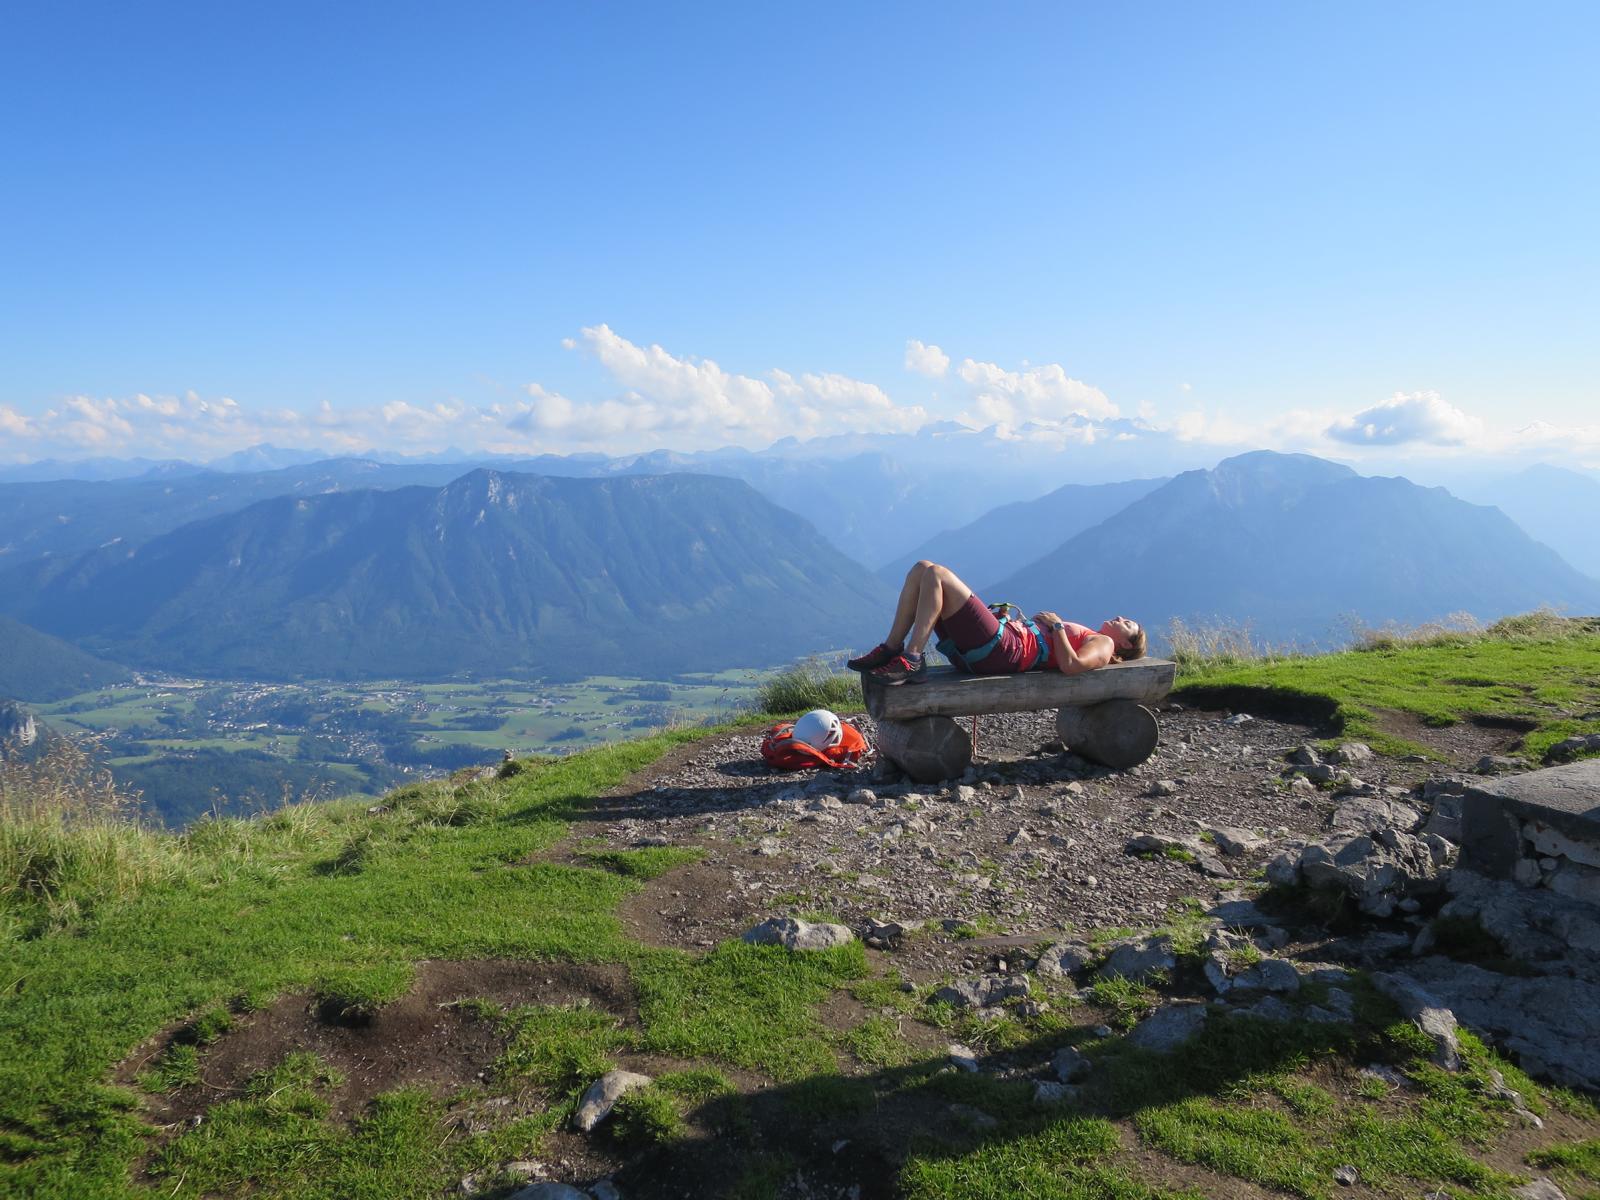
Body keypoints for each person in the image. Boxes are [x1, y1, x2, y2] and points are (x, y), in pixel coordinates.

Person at [847, 560, 1146, 685]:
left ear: (1124, 644)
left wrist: (1056, 627)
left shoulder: (1104, 644)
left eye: (1128, 624)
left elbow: (1072, 666)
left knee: (936, 574)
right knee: (922, 569)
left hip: (1005, 652)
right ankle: (892, 649)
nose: (1121, 618)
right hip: (998, 649)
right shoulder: (1097, 635)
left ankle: (911, 657)